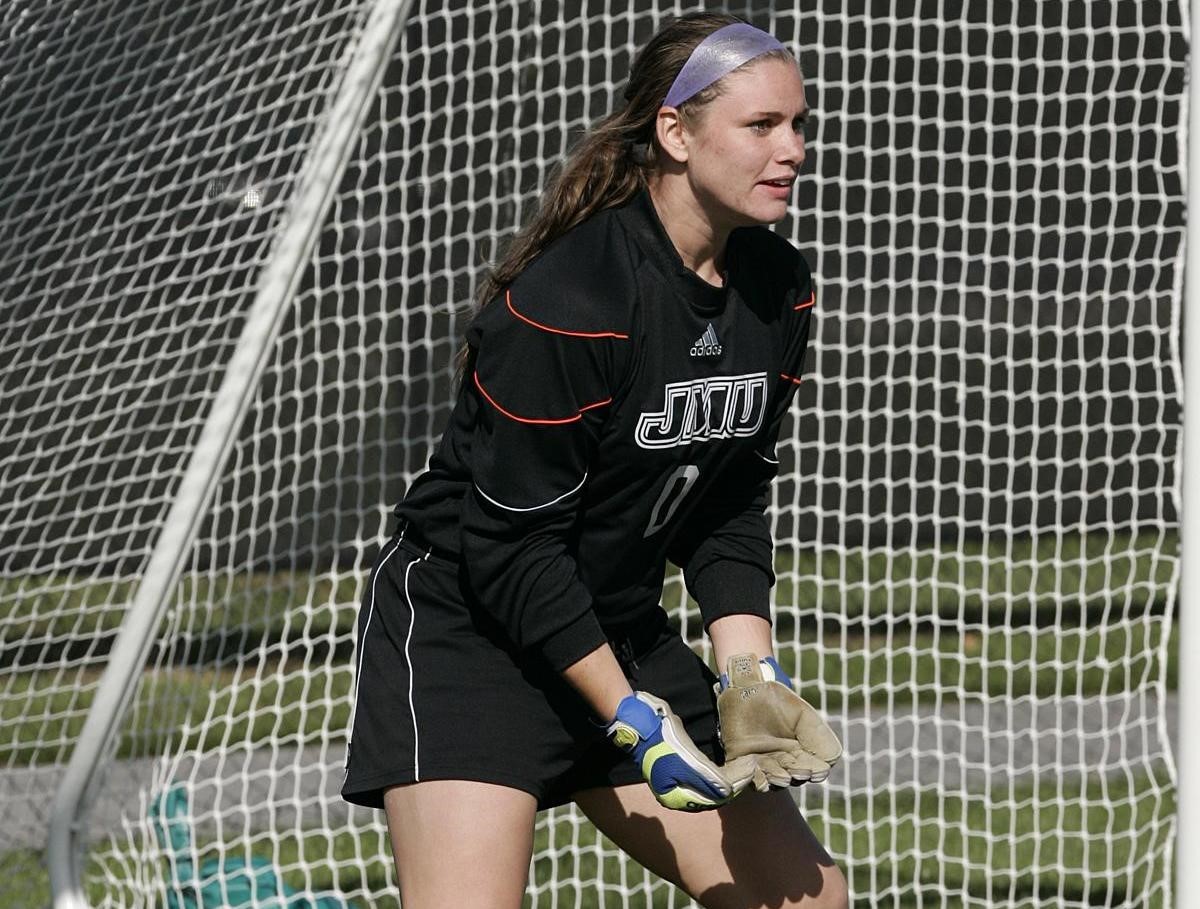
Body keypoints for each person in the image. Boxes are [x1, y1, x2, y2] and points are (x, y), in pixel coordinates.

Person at [341, 12, 848, 909]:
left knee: (809, 902)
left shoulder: (777, 288)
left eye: (799, 123)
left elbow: (726, 498)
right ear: (675, 131)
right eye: (763, 125)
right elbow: (511, 548)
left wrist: (747, 673)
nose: (794, 148)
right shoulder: (575, 297)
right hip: (475, 635)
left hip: (610, 625)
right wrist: (632, 717)